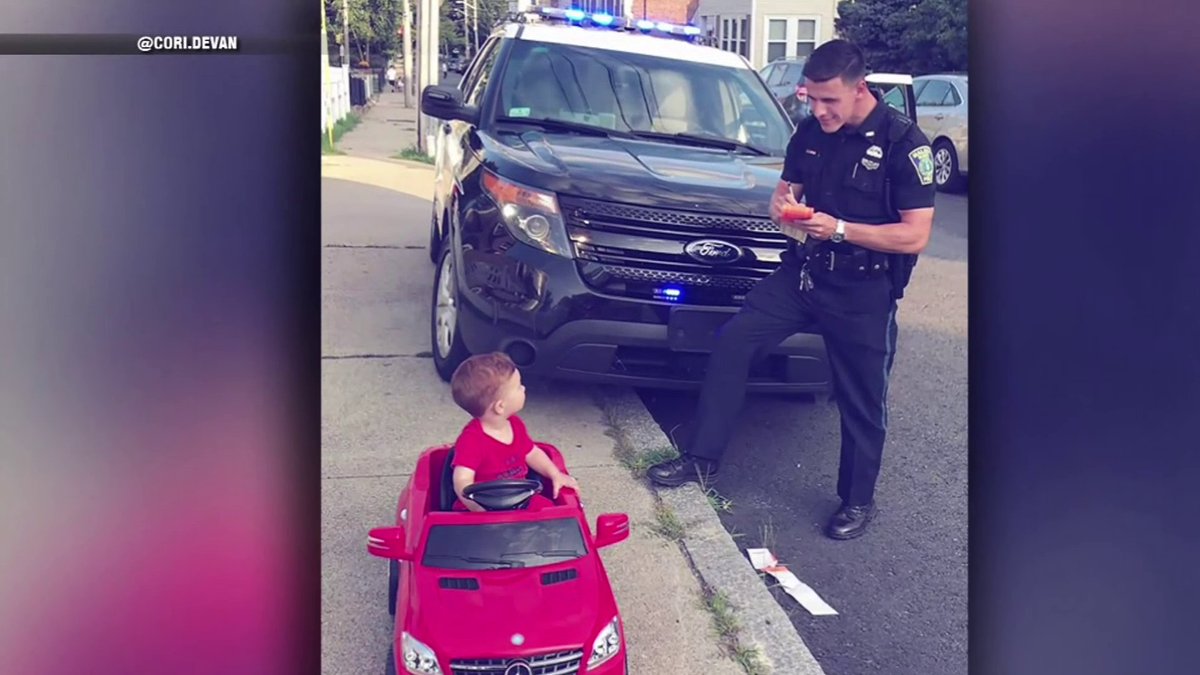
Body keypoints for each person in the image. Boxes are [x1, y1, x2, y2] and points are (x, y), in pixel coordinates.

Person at [647, 39, 936, 540]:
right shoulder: (810, 133)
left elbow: (915, 235)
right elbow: (784, 198)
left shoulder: (903, 143)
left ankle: (857, 501)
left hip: (863, 290)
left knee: (862, 398)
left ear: (859, 89)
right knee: (734, 342)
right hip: (804, 274)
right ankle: (701, 458)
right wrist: (782, 209)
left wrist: (840, 229)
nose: (818, 110)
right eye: (811, 98)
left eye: (829, 100)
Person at [449, 352, 580, 512]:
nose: (523, 388)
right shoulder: (472, 441)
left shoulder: (515, 425)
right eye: (518, 386)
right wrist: (478, 508)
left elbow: (532, 453)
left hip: (520, 498)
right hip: (482, 507)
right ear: (500, 406)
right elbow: (462, 480)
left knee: (549, 512)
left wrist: (555, 474)